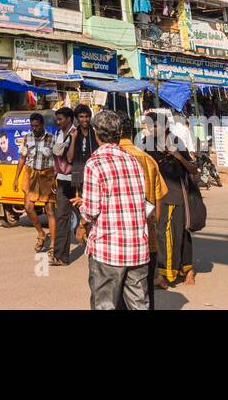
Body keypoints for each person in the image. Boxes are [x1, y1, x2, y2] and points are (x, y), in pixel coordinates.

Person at [79, 110, 151, 310]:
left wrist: (82, 212)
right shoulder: (133, 161)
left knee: (104, 304)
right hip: (137, 246)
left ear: (96, 133)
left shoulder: (95, 163)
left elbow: (91, 210)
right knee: (139, 305)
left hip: (108, 248)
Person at [115, 112, 165, 308]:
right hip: (146, 239)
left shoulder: (107, 159)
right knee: (145, 295)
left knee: (116, 296)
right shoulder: (148, 160)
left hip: (116, 242)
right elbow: (158, 205)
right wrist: (151, 230)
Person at [146, 113, 199, 288]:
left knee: (174, 233)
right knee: (163, 233)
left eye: (156, 125)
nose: (152, 129)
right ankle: (177, 271)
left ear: (165, 126)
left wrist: (179, 157)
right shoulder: (147, 144)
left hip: (175, 194)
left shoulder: (176, 142)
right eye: (150, 126)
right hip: (155, 195)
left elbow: (193, 169)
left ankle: (170, 274)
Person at [12, 112, 56, 253]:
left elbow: (58, 161)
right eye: (32, 126)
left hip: (47, 176)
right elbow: (22, 158)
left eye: (36, 126)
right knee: (28, 207)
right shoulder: (27, 137)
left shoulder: (51, 139)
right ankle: (41, 233)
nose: (34, 128)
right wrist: (16, 178)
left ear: (42, 125)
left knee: (49, 211)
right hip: (31, 176)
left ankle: (53, 244)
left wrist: (56, 178)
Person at [48, 108, 77, 266]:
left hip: (77, 179)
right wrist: (54, 176)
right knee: (62, 216)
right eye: (57, 119)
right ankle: (61, 256)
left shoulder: (76, 134)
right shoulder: (58, 134)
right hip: (62, 179)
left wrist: (73, 140)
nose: (57, 122)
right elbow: (56, 159)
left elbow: (71, 158)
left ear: (68, 119)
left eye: (60, 119)